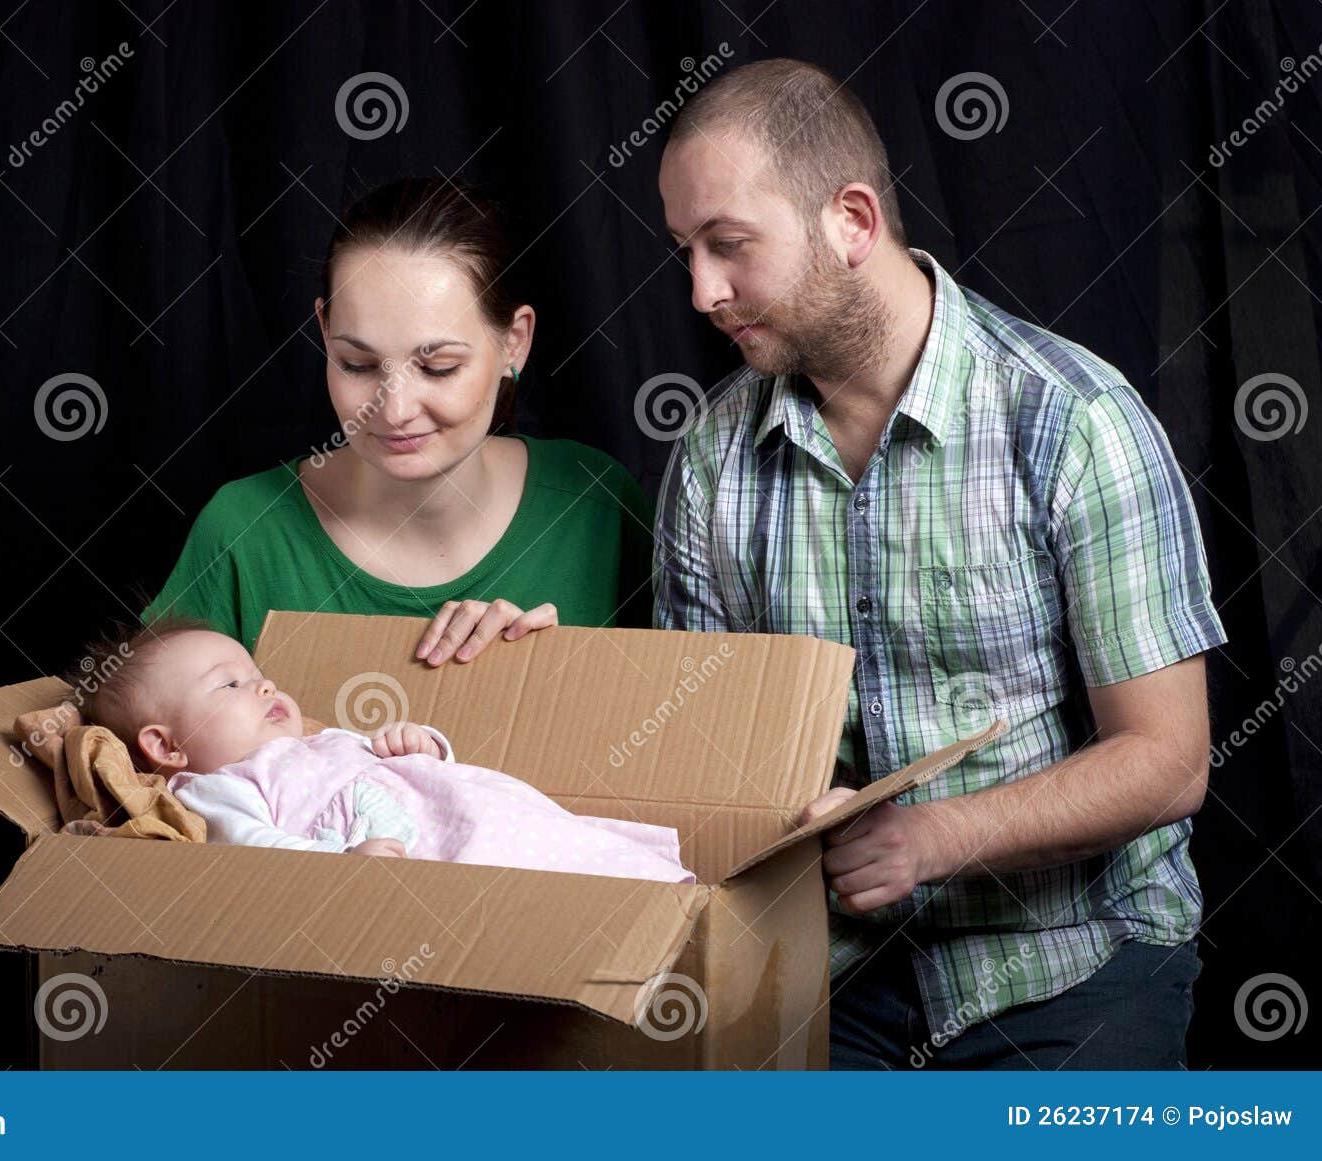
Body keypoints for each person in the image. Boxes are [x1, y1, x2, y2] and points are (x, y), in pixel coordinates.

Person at [653, 59, 1225, 1068]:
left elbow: (1168, 762)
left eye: (728, 246)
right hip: (832, 977)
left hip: (1068, 965)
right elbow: (705, 754)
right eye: (685, 252)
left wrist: (932, 837)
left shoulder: (1073, 420)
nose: (702, 291)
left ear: (852, 220)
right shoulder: (709, 462)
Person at [143, 177, 653, 664]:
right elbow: (131, 733)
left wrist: (560, 676)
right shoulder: (243, 531)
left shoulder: (596, 502)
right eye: (357, 365)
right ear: (324, 331)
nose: (392, 410)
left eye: (439, 368)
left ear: (514, 342)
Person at [77, 615, 694, 883]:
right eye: (231, 684)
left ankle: (659, 884)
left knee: (565, 840)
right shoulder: (217, 789)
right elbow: (258, 852)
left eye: (258, 671)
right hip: (440, 855)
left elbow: (433, 774)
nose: (264, 683)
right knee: (533, 880)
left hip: (480, 807)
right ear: (166, 746)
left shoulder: (323, 739)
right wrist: (343, 865)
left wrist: (419, 743)